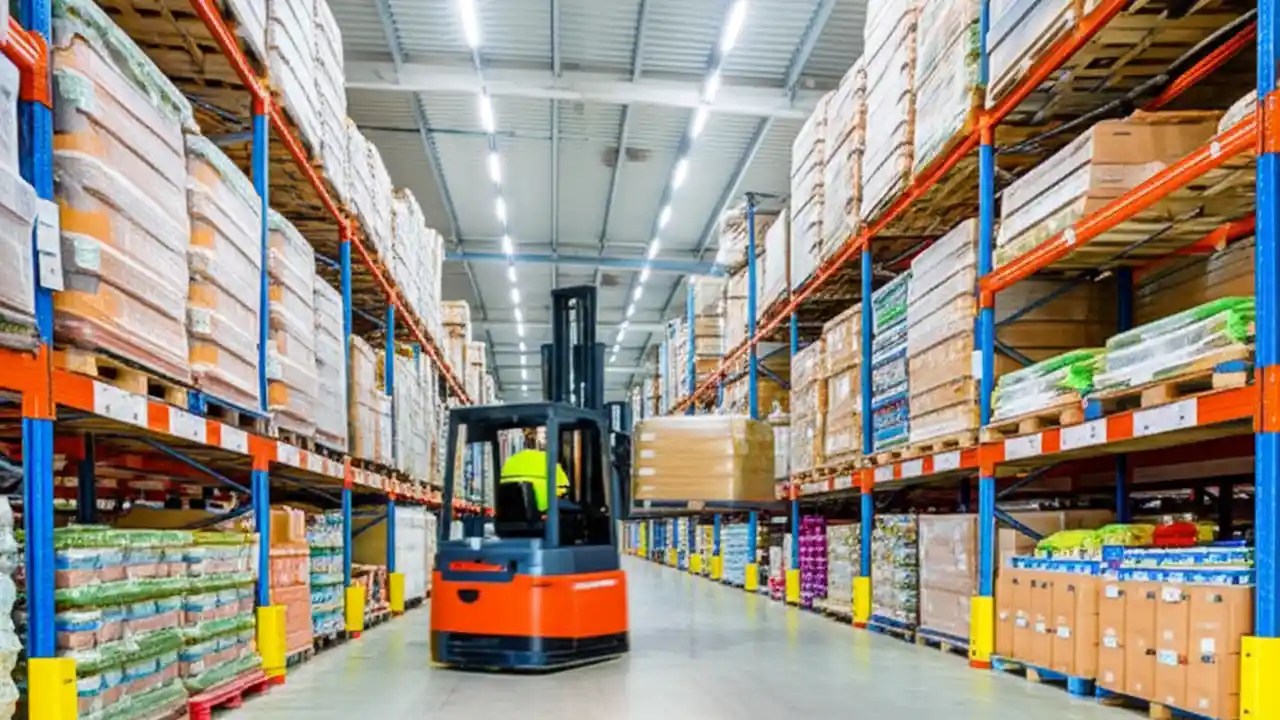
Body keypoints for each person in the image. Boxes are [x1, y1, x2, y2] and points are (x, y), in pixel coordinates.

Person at [499, 449, 574, 513]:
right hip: (544, 507)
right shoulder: (551, 463)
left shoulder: (515, 460)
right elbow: (564, 489)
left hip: (514, 511)